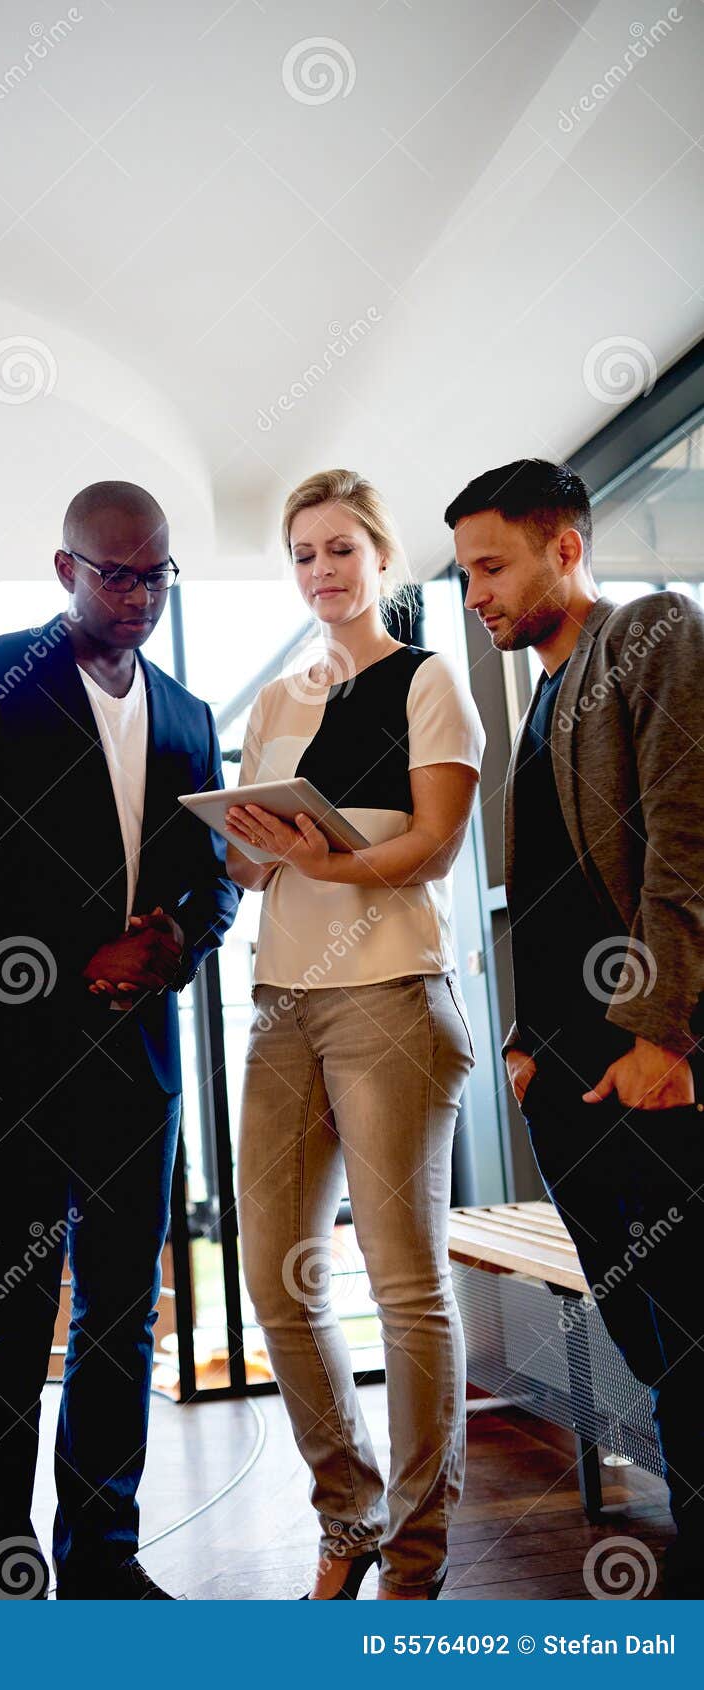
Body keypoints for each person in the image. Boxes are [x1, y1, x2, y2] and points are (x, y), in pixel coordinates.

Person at [0, 480, 241, 1600]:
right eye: (117, 573)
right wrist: (73, 952)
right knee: (3, 1312)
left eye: (156, 573)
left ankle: (103, 1557)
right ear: (66, 571)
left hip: (138, 1057)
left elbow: (215, 883)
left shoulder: (191, 717)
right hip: (16, 1046)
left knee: (121, 1313)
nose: (139, 593)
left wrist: (173, 949)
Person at [446, 457, 704, 1599]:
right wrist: (522, 1040)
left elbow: (685, 841)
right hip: (562, 1074)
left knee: (691, 1326)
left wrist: (663, 1031)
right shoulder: (542, 693)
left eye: (492, 566)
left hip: (642, 1056)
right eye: (463, 574)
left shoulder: (648, 634)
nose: (475, 596)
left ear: (565, 547)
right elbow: (540, 892)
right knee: (645, 1330)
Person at [228, 469, 484, 1601]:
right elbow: (243, 864)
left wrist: (327, 858)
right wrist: (249, 839)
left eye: (340, 549)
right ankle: (351, 1510)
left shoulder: (432, 684)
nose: (321, 571)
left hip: (390, 997)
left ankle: (417, 1553)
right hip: (283, 999)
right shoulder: (279, 701)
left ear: (381, 558)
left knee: (404, 1285)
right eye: (302, 554)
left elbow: (433, 843)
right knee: (276, 1278)